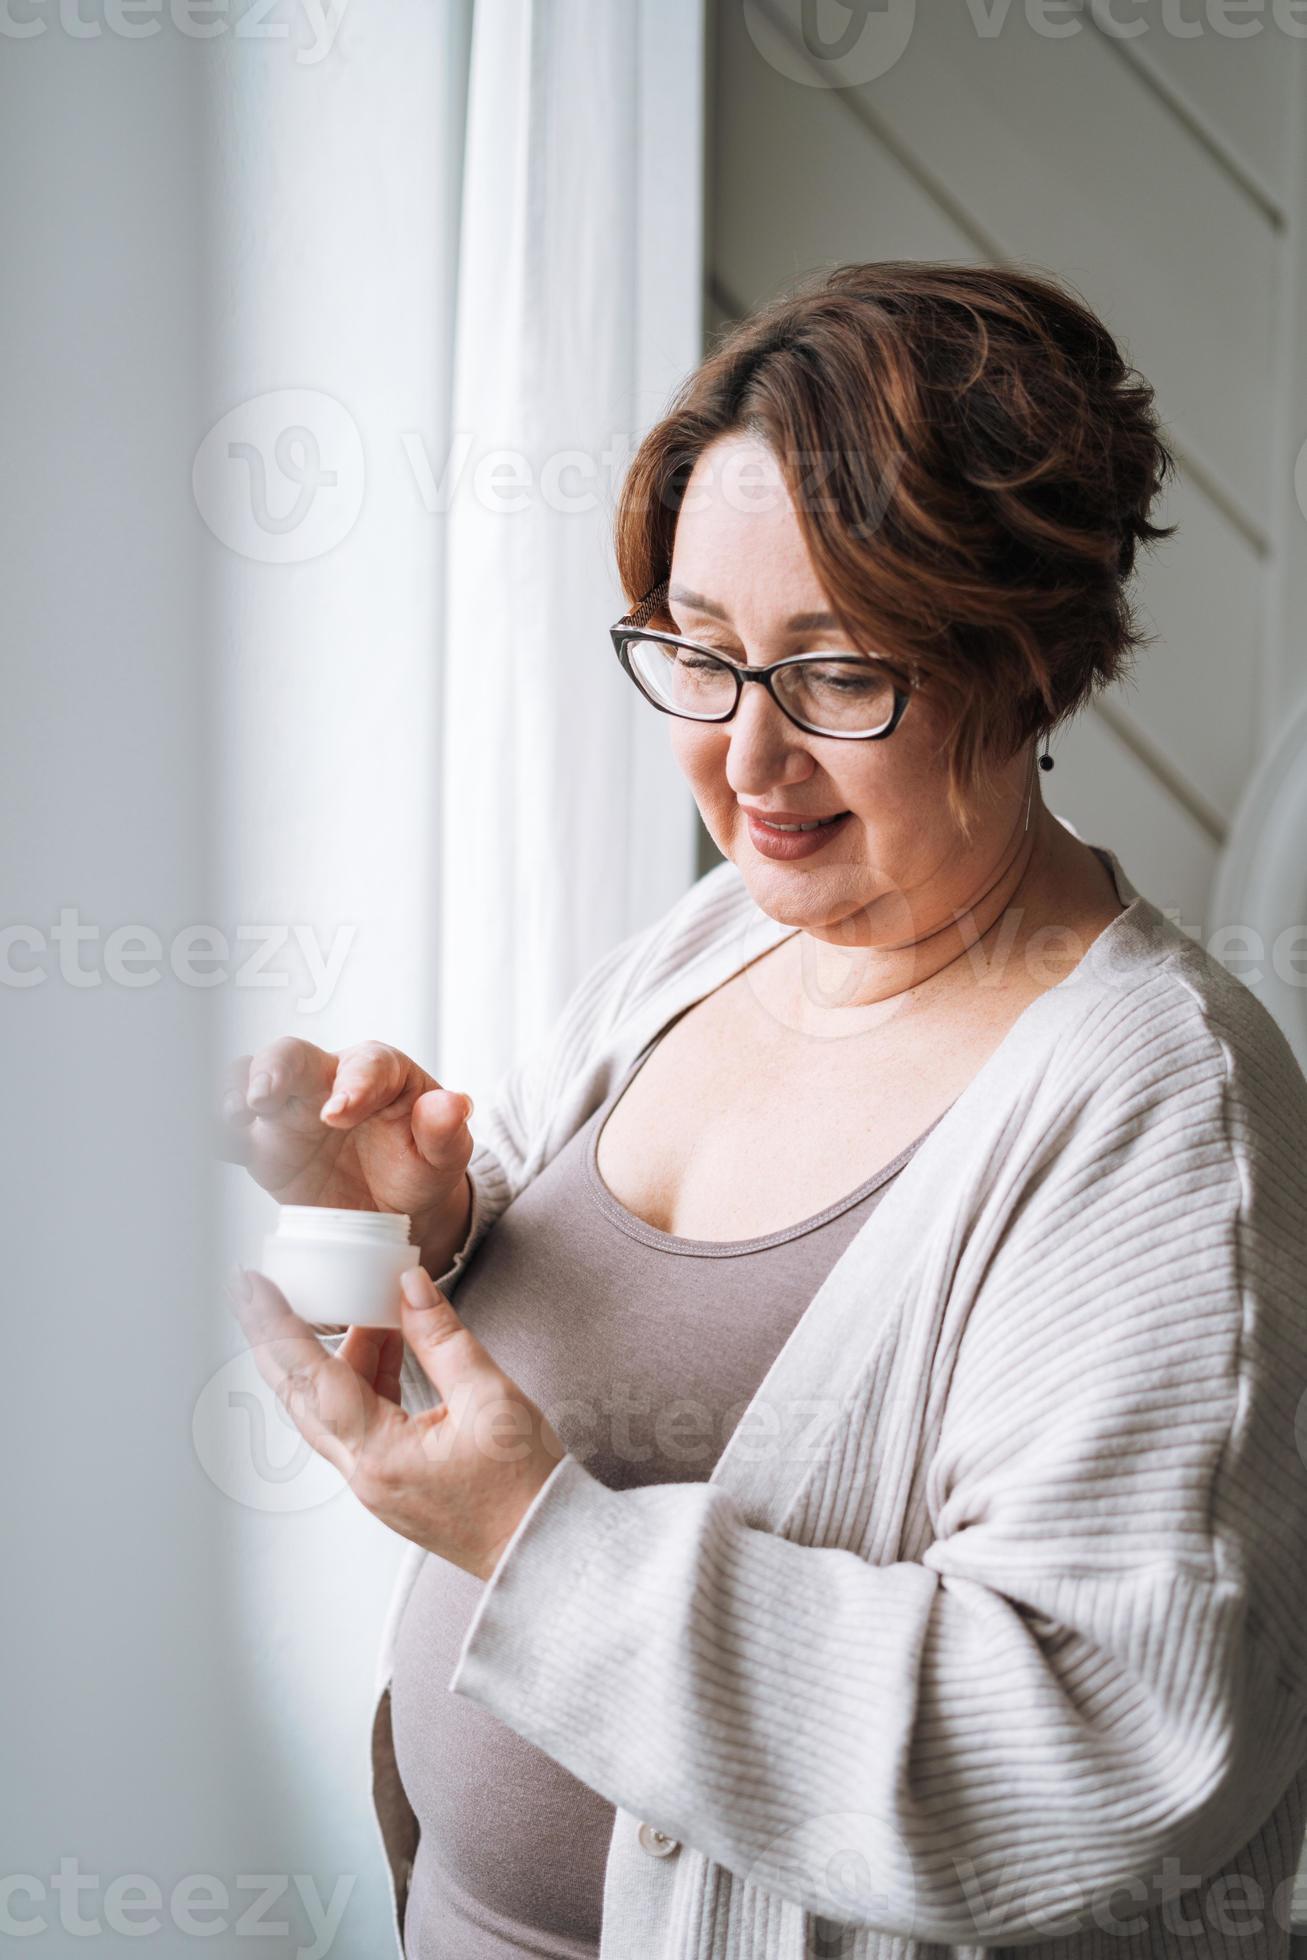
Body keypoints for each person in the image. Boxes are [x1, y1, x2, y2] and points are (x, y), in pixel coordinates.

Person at [223, 261, 1307, 1960]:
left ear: (1032, 667)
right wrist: (399, 1220)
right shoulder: (716, 936)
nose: (747, 756)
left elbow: (1106, 1755)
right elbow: (558, 1321)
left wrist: (529, 1544)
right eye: (702, 656)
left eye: (837, 675)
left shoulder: (1160, 1115)